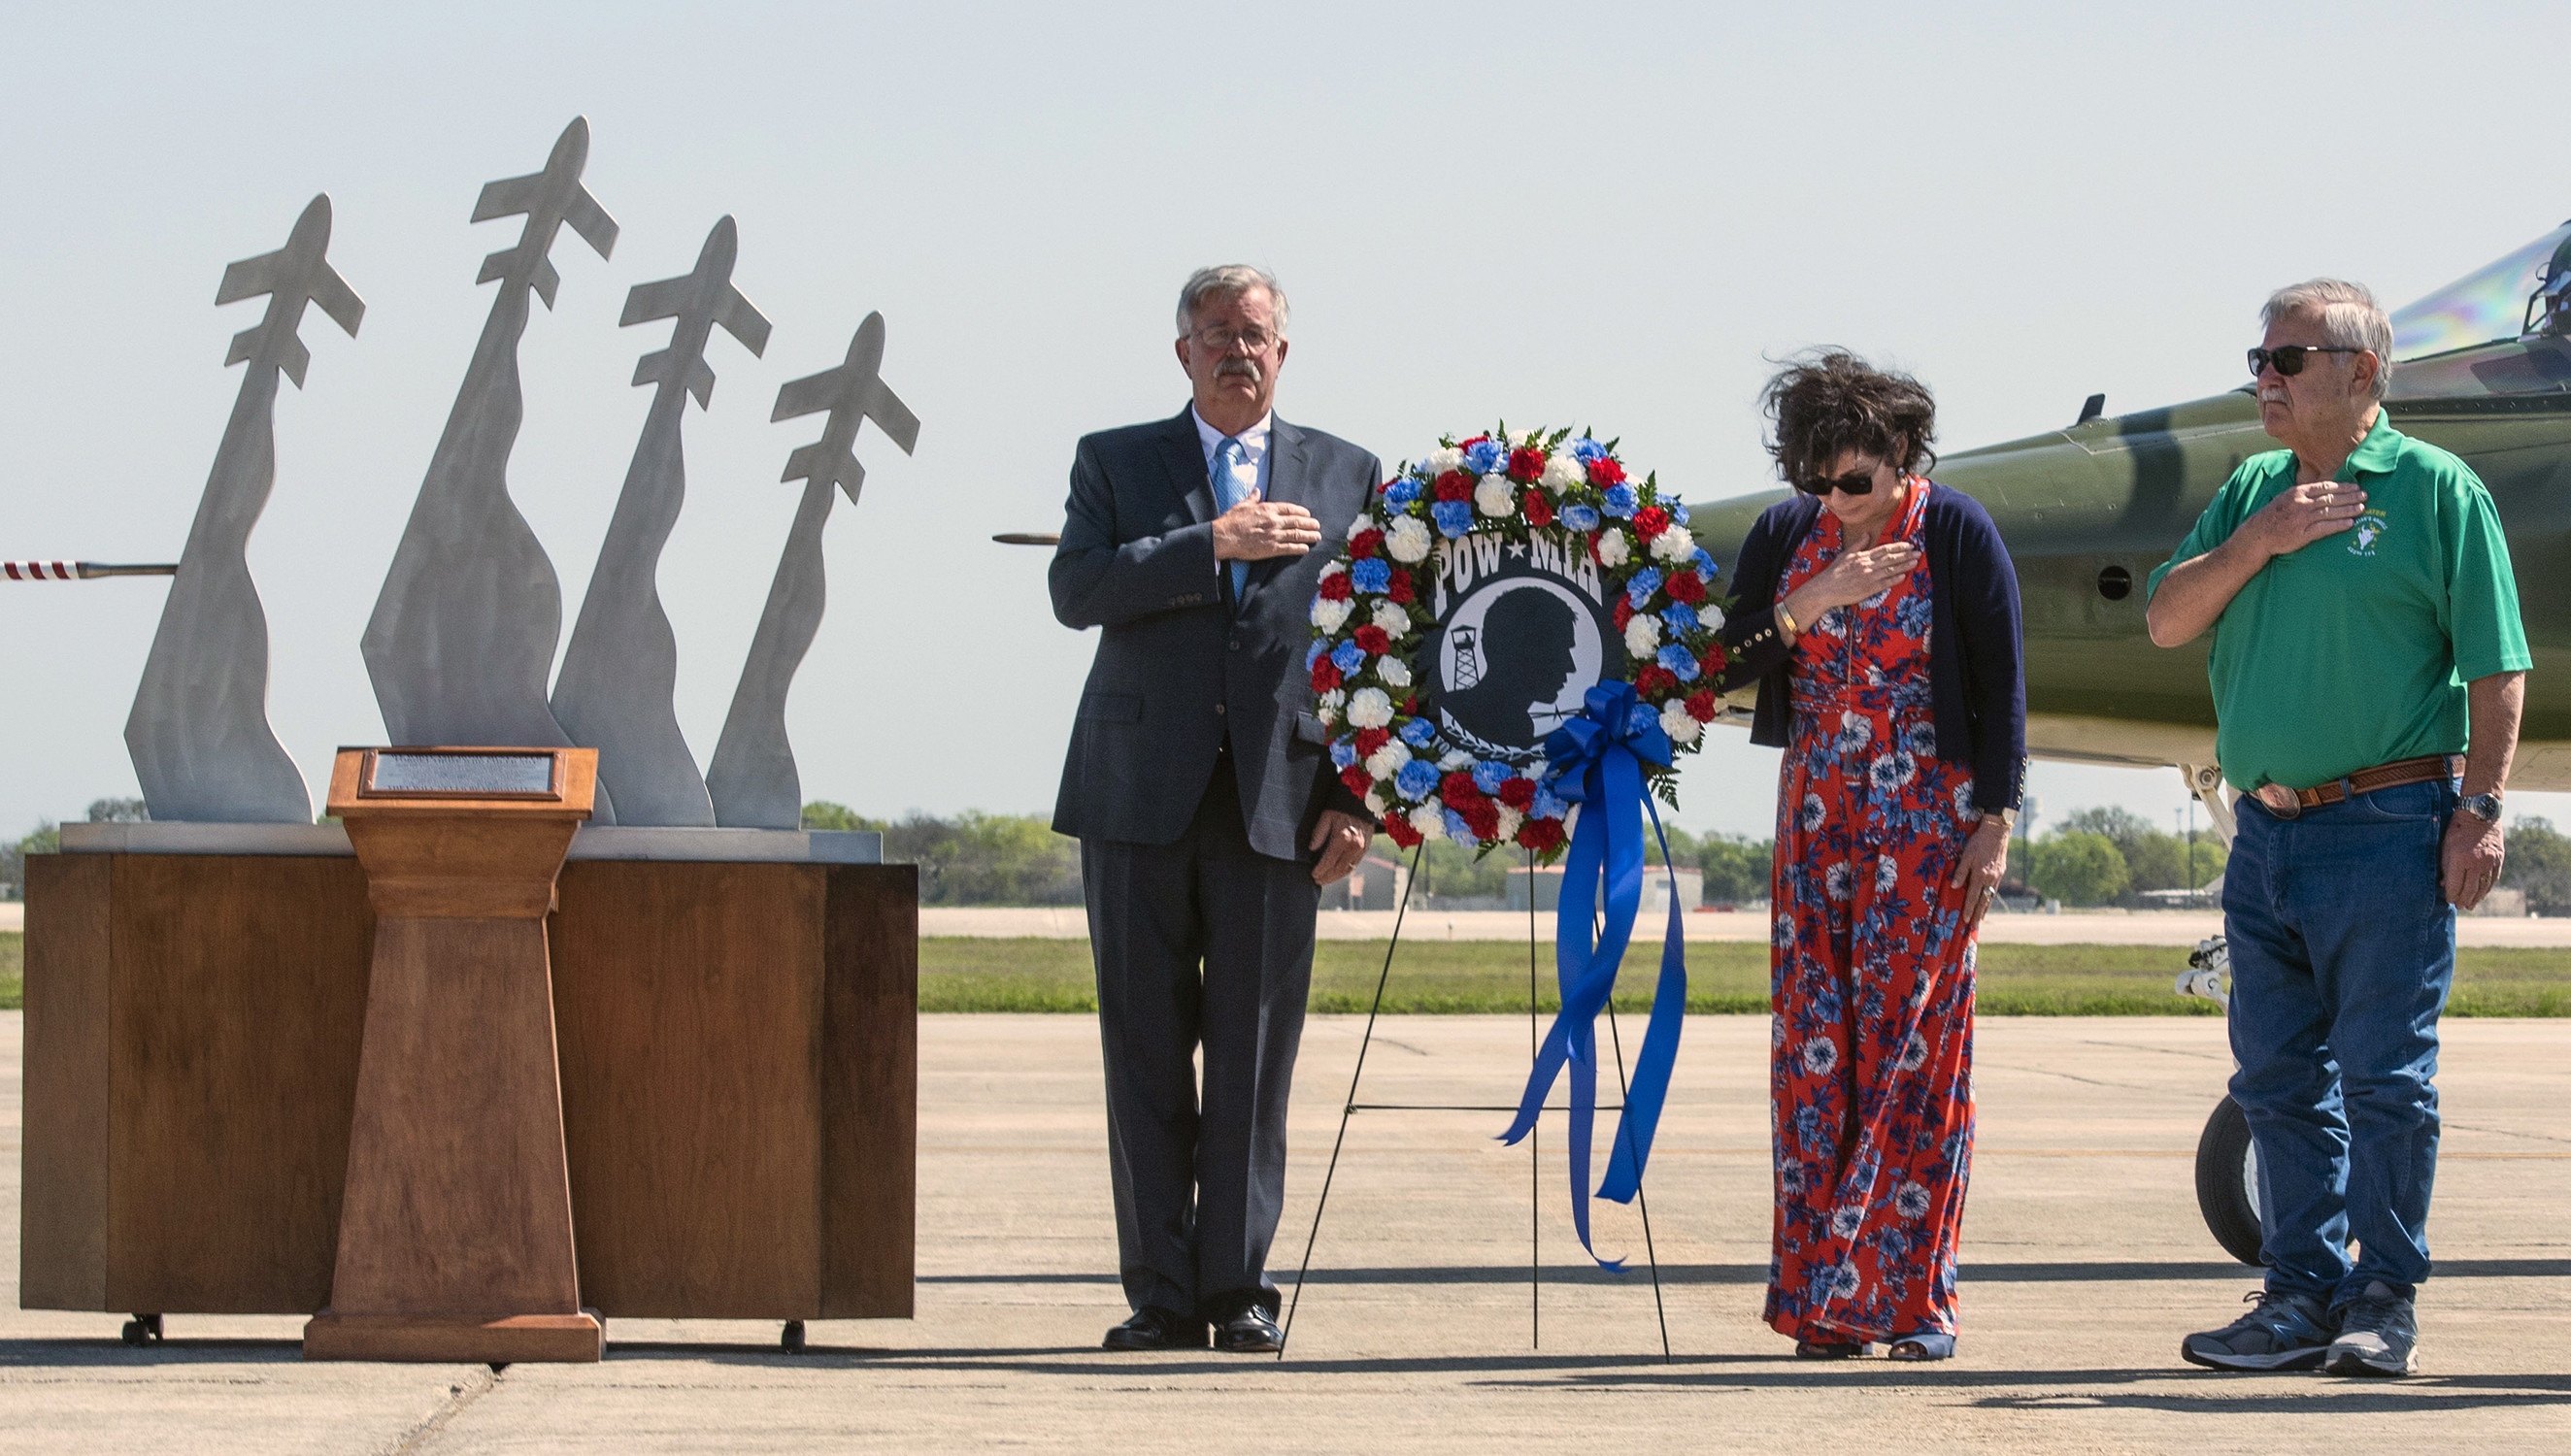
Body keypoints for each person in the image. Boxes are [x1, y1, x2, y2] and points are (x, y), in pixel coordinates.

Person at [2149, 280, 2527, 1378]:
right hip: (2265, 834)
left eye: (2286, 360)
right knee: (2274, 1080)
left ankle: (2380, 1300)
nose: (2262, 379)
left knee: (2383, 1083)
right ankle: (2297, 1296)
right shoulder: (2252, 491)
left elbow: (2497, 672)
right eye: (2256, 360)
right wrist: (2259, 540)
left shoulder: (2434, 492)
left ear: (2361, 372)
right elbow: (2171, 619)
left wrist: (2480, 812)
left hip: (2387, 824)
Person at [1049, 265, 1380, 1354]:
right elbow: (1077, 591)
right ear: (1179, 351)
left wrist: (1354, 803)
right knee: (1143, 1054)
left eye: (1255, 334)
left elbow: (1371, 656)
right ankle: (1158, 1293)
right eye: (1214, 333)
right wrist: (1211, 546)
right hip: (1136, 797)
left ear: (1284, 352)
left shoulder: (1349, 473)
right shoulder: (1115, 460)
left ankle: (1236, 1292)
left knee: (1251, 1059)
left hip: (1279, 805)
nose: (1236, 350)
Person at [1712, 349, 2025, 1362]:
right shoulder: (1785, 536)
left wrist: (1995, 817)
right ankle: (1820, 1303)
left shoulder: (1953, 530)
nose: (1836, 499)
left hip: (1925, 821)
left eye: (1855, 480)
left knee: (1915, 1054)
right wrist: (1814, 600)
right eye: (1818, 480)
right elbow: (1722, 660)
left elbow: (2003, 682)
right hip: (1815, 821)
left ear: (1899, 459)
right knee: (1814, 1057)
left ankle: (1911, 1301)